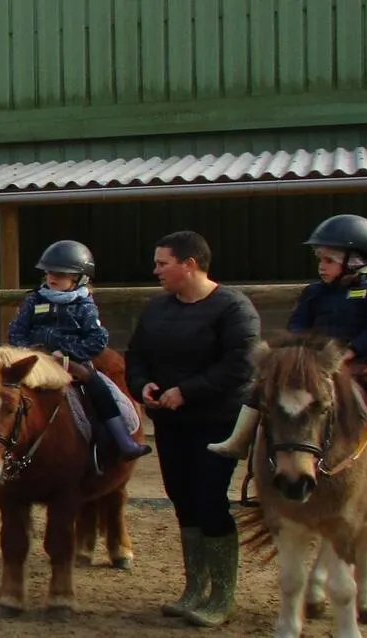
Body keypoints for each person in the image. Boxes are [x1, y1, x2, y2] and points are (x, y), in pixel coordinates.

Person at [209, 214, 367, 484]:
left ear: (355, 262)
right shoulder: (313, 293)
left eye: (329, 260)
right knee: (262, 387)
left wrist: (350, 352)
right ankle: (238, 440)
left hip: (358, 364)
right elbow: (297, 324)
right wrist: (299, 354)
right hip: (313, 365)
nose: (321, 266)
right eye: (320, 259)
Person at [125, 230, 260, 628]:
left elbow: (239, 365)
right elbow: (137, 355)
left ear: (190, 264)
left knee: (209, 499)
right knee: (181, 497)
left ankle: (221, 594)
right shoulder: (157, 309)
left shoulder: (233, 309)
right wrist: (142, 385)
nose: (156, 271)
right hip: (170, 423)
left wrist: (187, 391)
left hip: (215, 422)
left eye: (162, 263)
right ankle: (194, 587)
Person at [0, 240, 152, 468]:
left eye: (60, 274)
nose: (52, 277)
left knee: (101, 389)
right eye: (49, 272)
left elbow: (97, 339)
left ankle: (123, 440)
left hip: (72, 362)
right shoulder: (34, 299)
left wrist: (69, 354)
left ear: (79, 277)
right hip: (36, 362)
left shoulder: (84, 305)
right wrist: (28, 352)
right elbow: (16, 331)